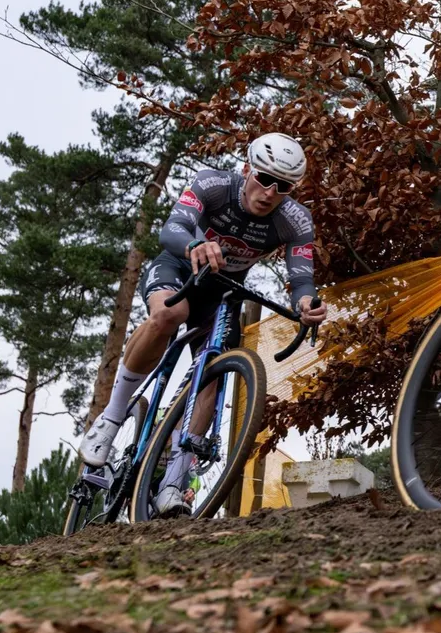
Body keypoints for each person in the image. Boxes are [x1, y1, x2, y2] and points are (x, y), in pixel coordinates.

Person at [76, 133, 328, 516]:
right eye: (263, 178)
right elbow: (171, 229)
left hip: (223, 291)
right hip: (179, 269)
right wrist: (195, 244)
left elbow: (302, 277)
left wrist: (306, 303)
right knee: (167, 315)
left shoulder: (295, 219)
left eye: (283, 186)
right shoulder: (212, 184)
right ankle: (110, 420)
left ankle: (175, 483)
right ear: (247, 169)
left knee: (215, 369)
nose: (270, 192)